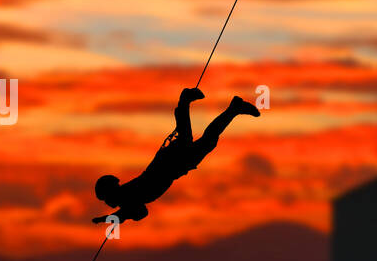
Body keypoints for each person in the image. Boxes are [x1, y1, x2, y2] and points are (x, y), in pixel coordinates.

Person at [92, 88, 259, 224]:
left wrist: (106, 219)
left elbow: (135, 212)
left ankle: (191, 102)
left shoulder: (126, 197)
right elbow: (132, 213)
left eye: (106, 199)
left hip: (172, 164)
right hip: (173, 164)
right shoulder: (125, 198)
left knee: (196, 138)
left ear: (111, 192)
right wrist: (108, 219)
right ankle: (231, 109)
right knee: (200, 138)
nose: (107, 203)